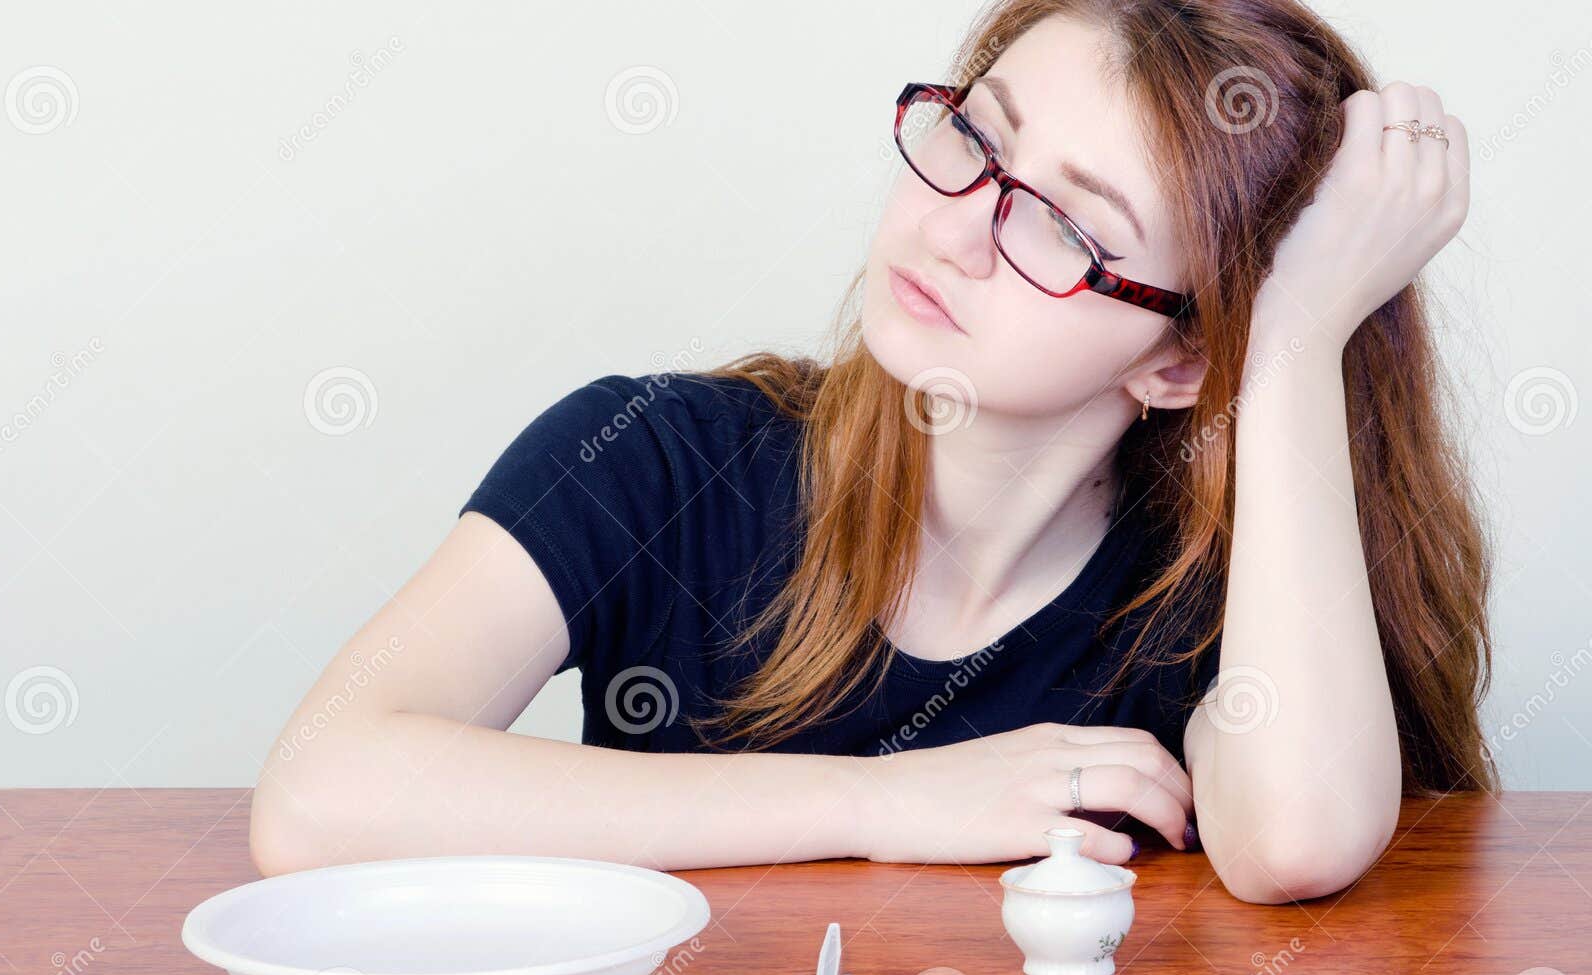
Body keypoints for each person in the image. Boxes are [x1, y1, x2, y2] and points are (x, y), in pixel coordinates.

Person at [251, 0, 1496, 904]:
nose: (956, 227)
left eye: (1060, 226)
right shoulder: (655, 457)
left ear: (1175, 361)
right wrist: (882, 804)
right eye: (975, 139)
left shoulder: (1211, 596)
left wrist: (1285, 343)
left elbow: (1295, 840)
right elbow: (320, 792)